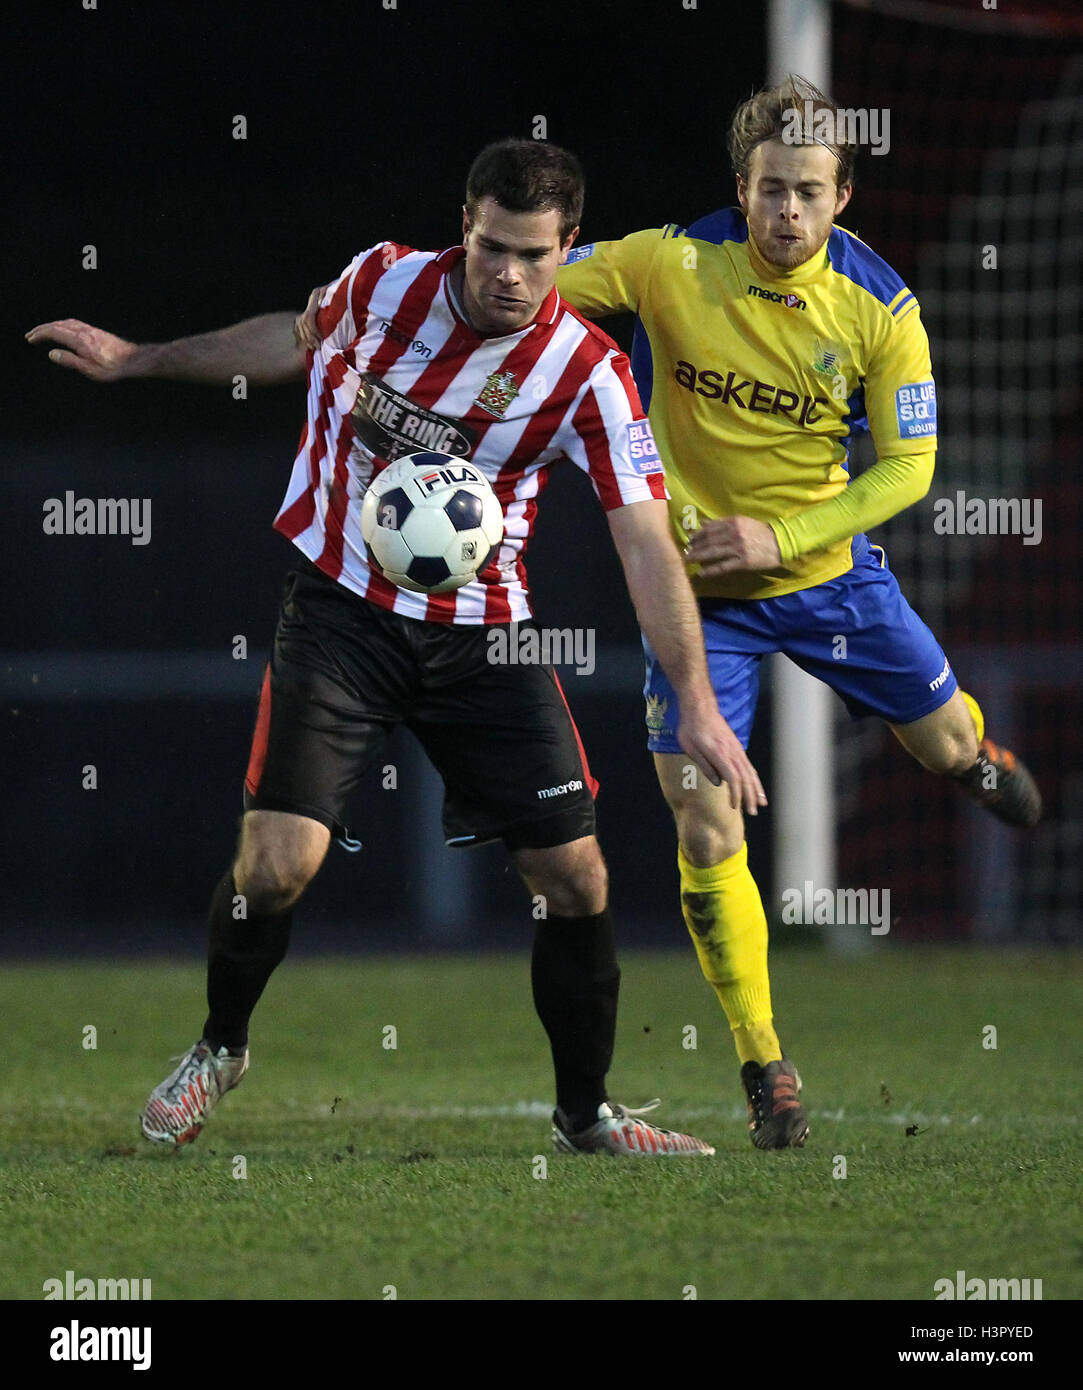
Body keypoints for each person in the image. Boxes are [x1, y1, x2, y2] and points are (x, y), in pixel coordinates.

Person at [27, 138, 766, 1159]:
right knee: (275, 867)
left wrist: (695, 699)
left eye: (534, 256)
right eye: (491, 248)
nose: (508, 274)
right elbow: (287, 340)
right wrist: (140, 359)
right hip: (341, 614)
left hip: (482, 644)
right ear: (463, 226)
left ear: (569, 249)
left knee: (578, 877)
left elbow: (645, 543)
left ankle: (586, 1114)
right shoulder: (379, 283)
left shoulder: (590, 375)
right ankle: (222, 1045)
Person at [545, 77, 1042, 1149]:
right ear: (743, 186)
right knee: (702, 811)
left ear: (842, 196)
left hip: (826, 578)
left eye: (808, 193)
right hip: (698, 600)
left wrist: (783, 534)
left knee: (950, 748)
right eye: (770, 191)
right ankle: (765, 1063)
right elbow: (532, 293)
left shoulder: (881, 310)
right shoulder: (668, 262)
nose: (786, 213)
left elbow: (910, 469)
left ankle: (977, 763)